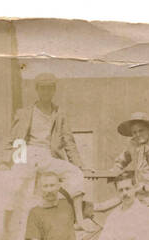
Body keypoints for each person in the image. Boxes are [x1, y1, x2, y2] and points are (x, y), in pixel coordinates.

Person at [5, 72, 88, 207]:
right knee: (16, 186)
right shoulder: (25, 112)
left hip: (48, 156)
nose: (46, 92)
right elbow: (12, 139)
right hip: (26, 153)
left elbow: (69, 141)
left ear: (54, 90)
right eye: (42, 88)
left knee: (75, 173)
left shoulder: (59, 113)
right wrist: (4, 161)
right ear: (37, 90)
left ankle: (77, 216)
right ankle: (8, 226)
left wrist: (79, 164)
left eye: (49, 88)